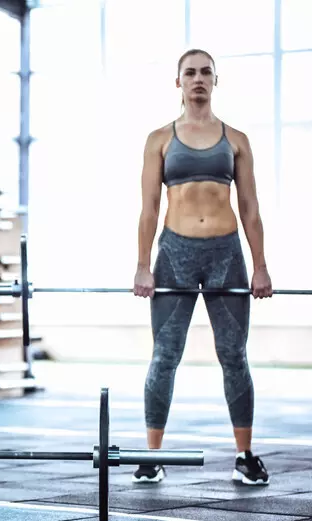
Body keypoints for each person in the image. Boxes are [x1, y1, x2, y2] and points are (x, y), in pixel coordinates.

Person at [132, 48, 273, 486]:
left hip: (226, 255)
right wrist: (141, 265)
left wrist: (261, 266)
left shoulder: (237, 140)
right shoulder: (159, 138)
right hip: (174, 253)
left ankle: (245, 455)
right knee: (164, 357)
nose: (198, 79)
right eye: (189, 72)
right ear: (178, 82)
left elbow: (249, 207)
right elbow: (149, 209)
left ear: (216, 81)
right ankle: (150, 456)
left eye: (205, 72)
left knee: (234, 355)